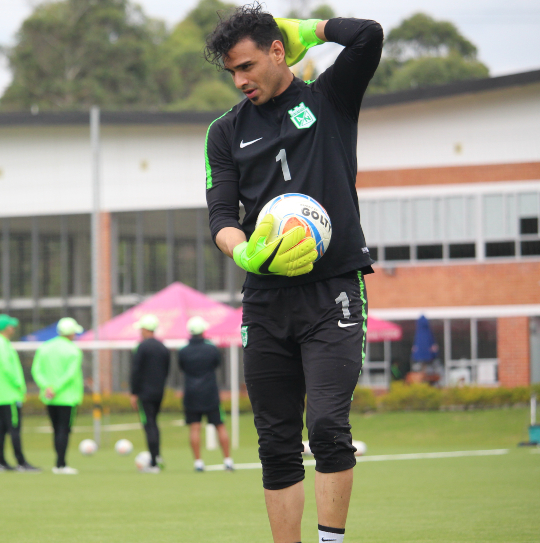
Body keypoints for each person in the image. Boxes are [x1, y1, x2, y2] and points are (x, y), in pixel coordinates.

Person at [203, 5, 381, 543]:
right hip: (265, 299)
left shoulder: (330, 99)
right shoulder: (224, 132)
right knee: (276, 442)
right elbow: (221, 218)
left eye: (248, 66)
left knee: (326, 426)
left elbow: (368, 36)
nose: (240, 80)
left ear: (278, 50)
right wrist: (244, 254)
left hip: (334, 290)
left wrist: (310, 29)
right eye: (232, 72)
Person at [178, 316, 234, 472]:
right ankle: (228, 461)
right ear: (203, 331)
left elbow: (182, 367)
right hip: (210, 393)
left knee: (194, 427)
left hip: (191, 394)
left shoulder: (183, 350)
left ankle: (198, 463)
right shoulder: (211, 348)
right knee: (220, 425)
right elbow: (217, 364)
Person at [0, 314, 39, 473]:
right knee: (14, 428)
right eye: (11, 326)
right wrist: (19, 385)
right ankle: (21, 462)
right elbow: (7, 367)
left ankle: (1, 462)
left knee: (1, 429)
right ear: (5, 327)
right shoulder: (2, 344)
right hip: (9, 394)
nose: (13, 328)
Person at [32, 317, 84, 475]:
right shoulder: (73, 350)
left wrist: (47, 387)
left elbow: (36, 371)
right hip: (67, 397)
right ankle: (61, 464)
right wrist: (56, 388)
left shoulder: (44, 347)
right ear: (71, 333)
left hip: (49, 397)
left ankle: (59, 463)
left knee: (56, 430)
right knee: (63, 430)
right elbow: (70, 374)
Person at [129, 314, 170, 473]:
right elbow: (166, 370)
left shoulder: (141, 347)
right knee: (154, 423)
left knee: (149, 424)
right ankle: (157, 457)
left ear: (146, 329)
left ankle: (153, 463)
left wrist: (134, 393)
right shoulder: (163, 347)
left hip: (144, 393)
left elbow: (136, 371)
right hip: (158, 392)